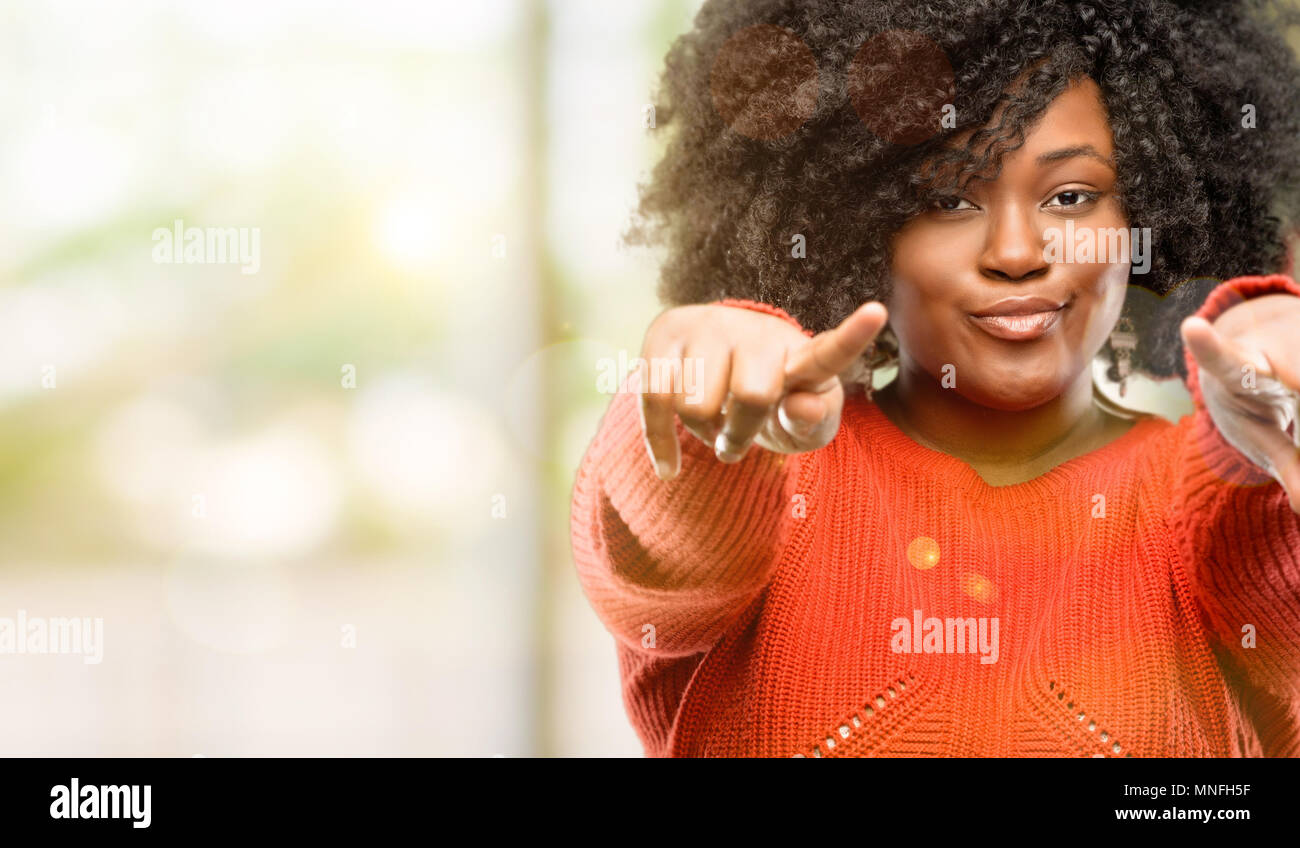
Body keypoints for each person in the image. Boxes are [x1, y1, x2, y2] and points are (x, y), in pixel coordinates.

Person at [570, 0, 1300, 757]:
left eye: (1072, 197)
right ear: (855, 220)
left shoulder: (1221, 510)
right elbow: (669, 552)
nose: (1016, 252)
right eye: (948, 199)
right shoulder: (769, 493)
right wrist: (708, 407)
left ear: (1148, 214)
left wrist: (1265, 438)